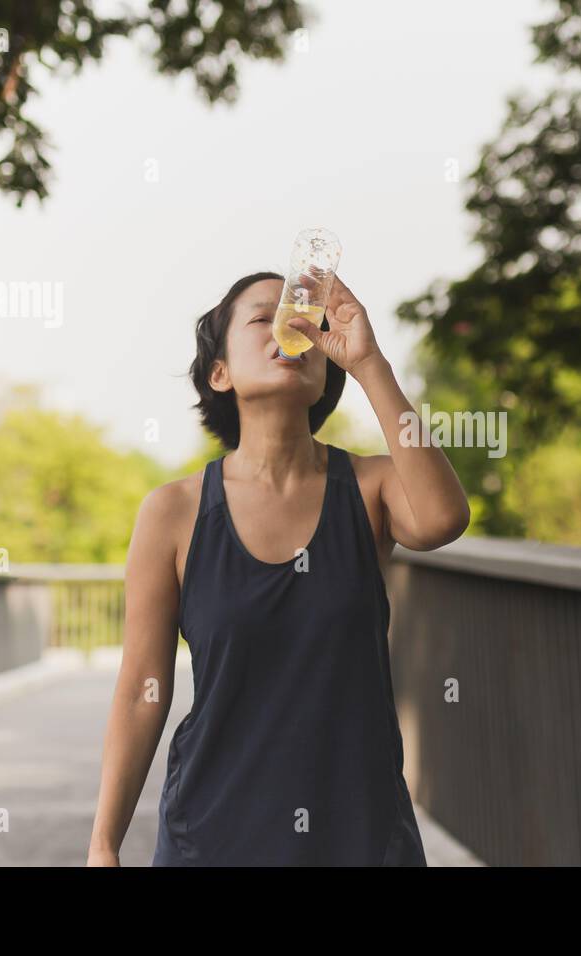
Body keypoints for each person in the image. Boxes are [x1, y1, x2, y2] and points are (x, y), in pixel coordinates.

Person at [86, 270, 470, 865]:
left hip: (363, 838)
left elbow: (444, 518)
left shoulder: (370, 488)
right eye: (263, 317)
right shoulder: (173, 513)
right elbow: (142, 689)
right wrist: (103, 845)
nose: (290, 329)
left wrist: (370, 365)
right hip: (212, 837)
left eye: (306, 322)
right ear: (221, 373)